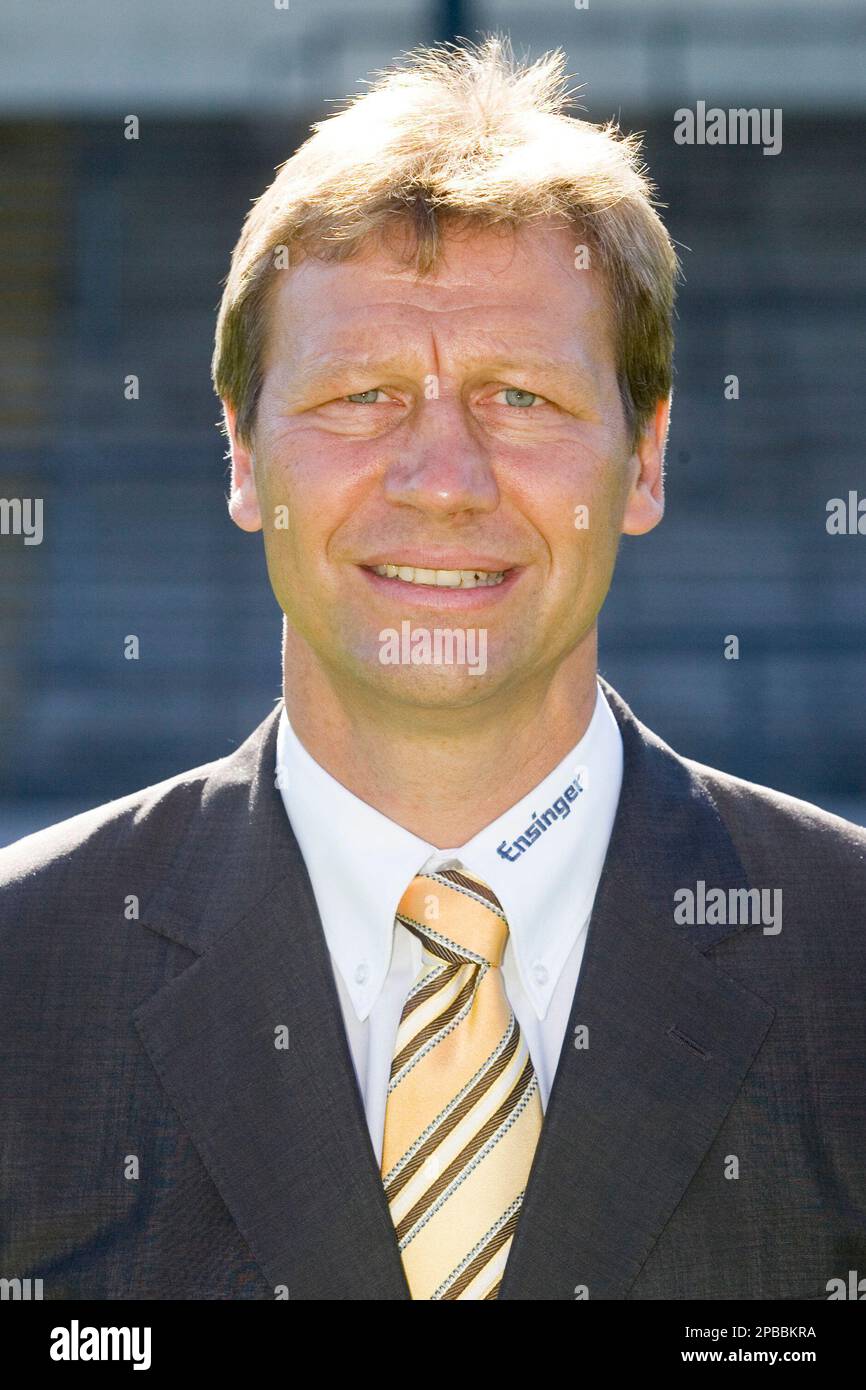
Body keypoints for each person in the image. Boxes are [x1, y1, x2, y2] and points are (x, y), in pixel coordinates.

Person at [1, 37, 864, 1302]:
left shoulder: (844, 966)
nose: (443, 480)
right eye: (362, 395)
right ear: (241, 454)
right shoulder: (23, 980)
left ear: (644, 458)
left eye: (520, 397)